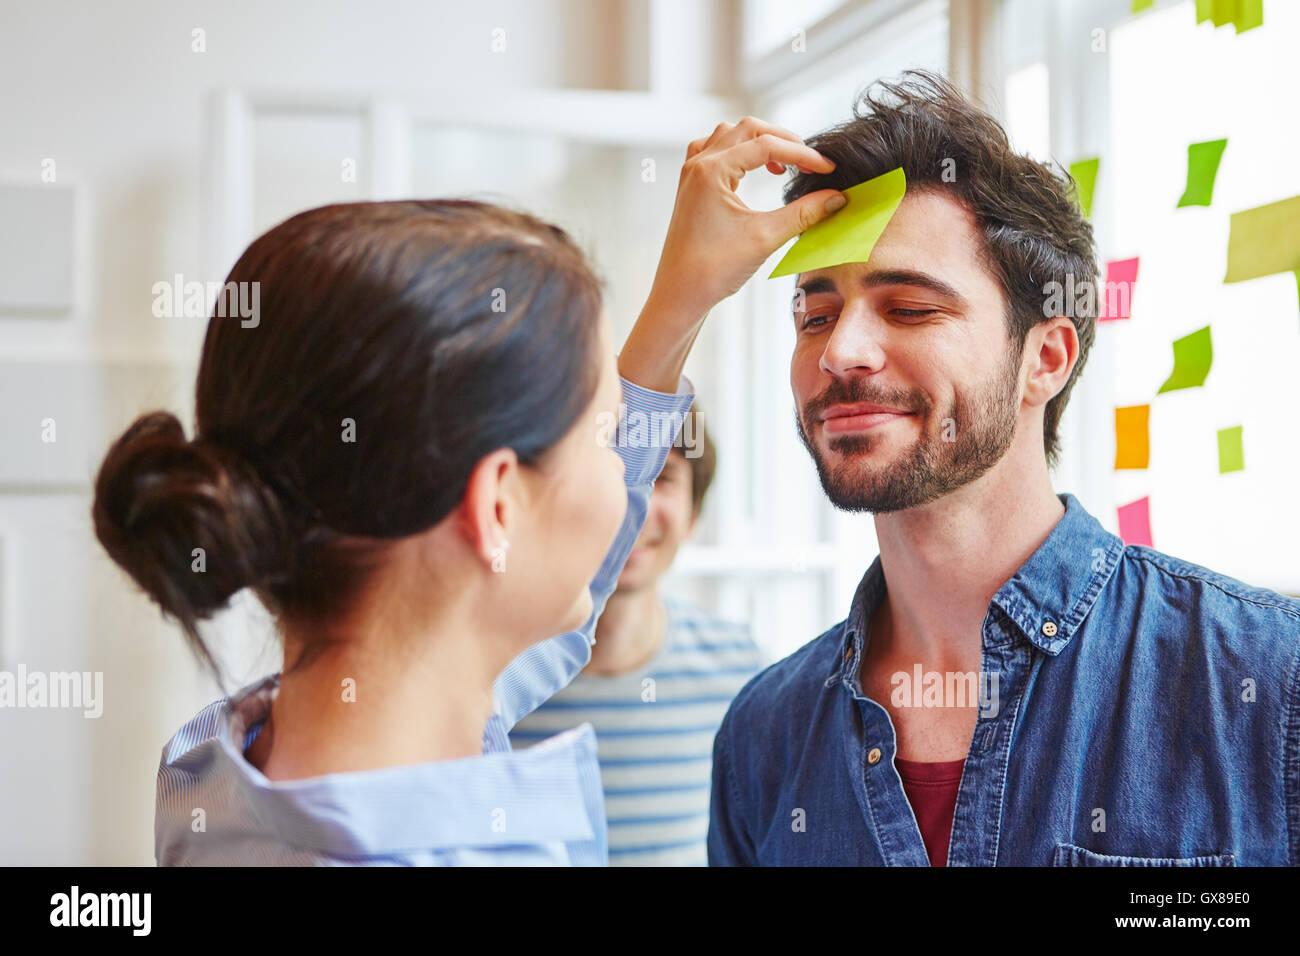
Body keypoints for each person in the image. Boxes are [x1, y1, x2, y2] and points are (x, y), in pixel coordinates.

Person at [92, 123, 847, 865]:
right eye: (605, 434)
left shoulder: (221, 767)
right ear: (495, 509)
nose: (627, 485)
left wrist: (680, 301)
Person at [655, 70, 1298, 866]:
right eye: (815, 316)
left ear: (1046, 358)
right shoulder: (761, 738)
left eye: (912, 308)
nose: (840, 351)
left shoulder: (1266, 682)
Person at [510, 408, 762, 865]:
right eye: (614, 472)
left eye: (662, 477)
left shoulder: (745, 672)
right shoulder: (498, 675)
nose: (632, 504)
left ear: (694, 514)